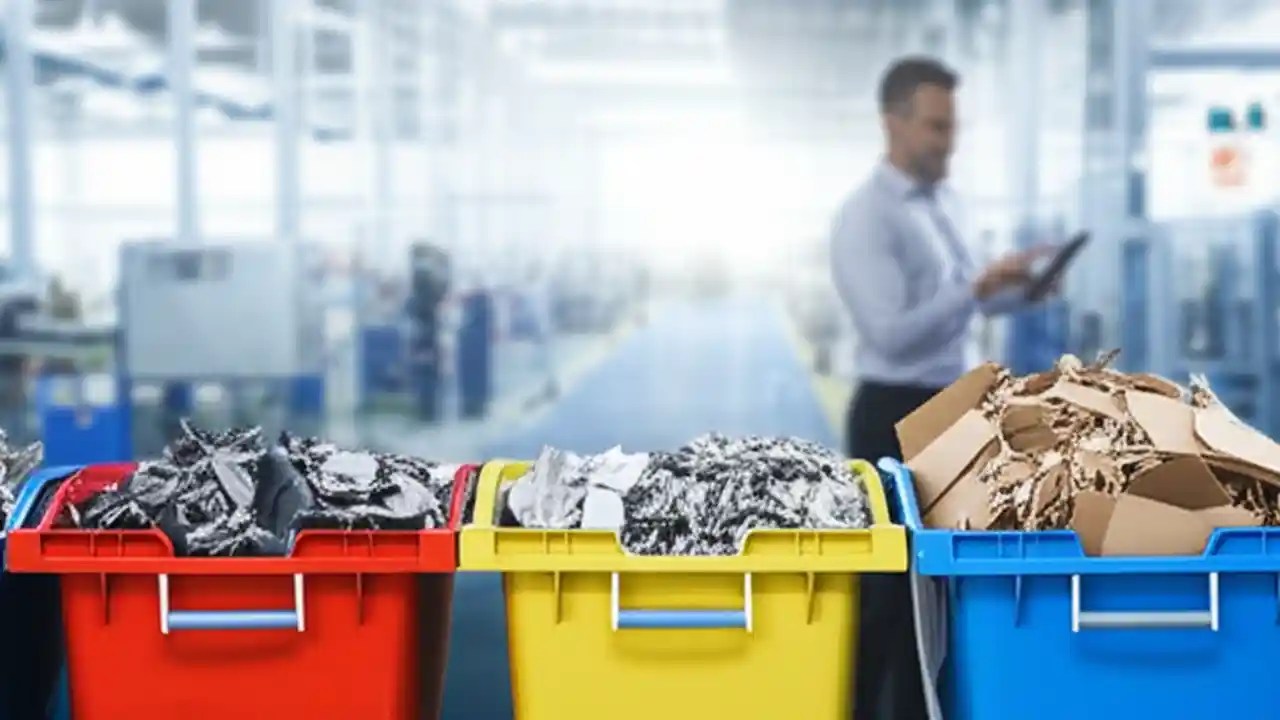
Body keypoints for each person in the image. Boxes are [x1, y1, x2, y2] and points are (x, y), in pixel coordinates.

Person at [829, 57, 1054, 719]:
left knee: (945, 590)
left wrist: (1019, 295)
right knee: (888, 596)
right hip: (891, 414)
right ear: (893, 122)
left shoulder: (946, 204)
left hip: (951, 412)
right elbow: (892, 334)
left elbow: (967, 309)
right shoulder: (865, 218)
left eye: (952, 127)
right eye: (934, 126)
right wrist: (974, 288)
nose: (946, 141)